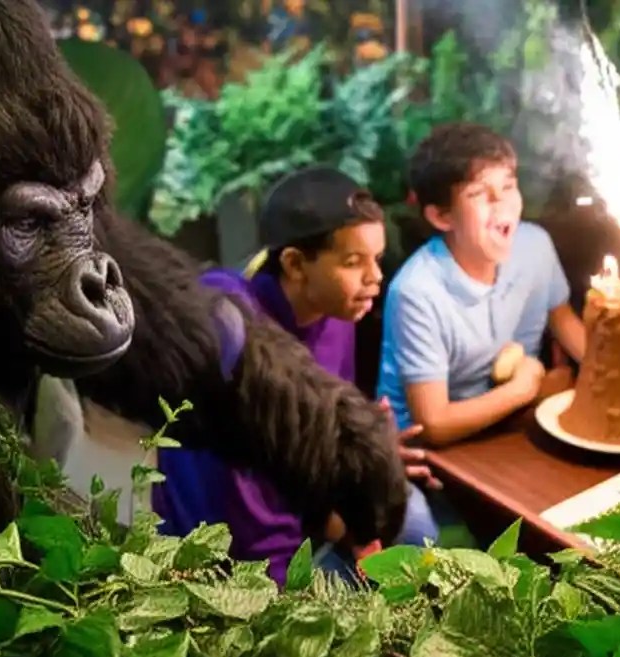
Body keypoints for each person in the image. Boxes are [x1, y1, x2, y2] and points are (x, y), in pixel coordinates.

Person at [153, 165, 440, 585]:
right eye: (353, 262)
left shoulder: (337, 310)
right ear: (295, 263)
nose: (375, 278)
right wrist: (347, 535)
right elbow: (254, 505)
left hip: (312, 506)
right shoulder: (232, 324)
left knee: (419, 529)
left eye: (376, 259)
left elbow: (322, 431)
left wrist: (367, 457)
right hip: (241, 553)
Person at [376, 122, 585, 446]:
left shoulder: (535, 246)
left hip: (511, 426)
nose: (502, 204)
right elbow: (434, 424)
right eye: (479, 195)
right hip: (427, 455)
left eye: (508, 186)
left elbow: (562, 319)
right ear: (442, 217)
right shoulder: (416, 292)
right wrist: (524, 389)